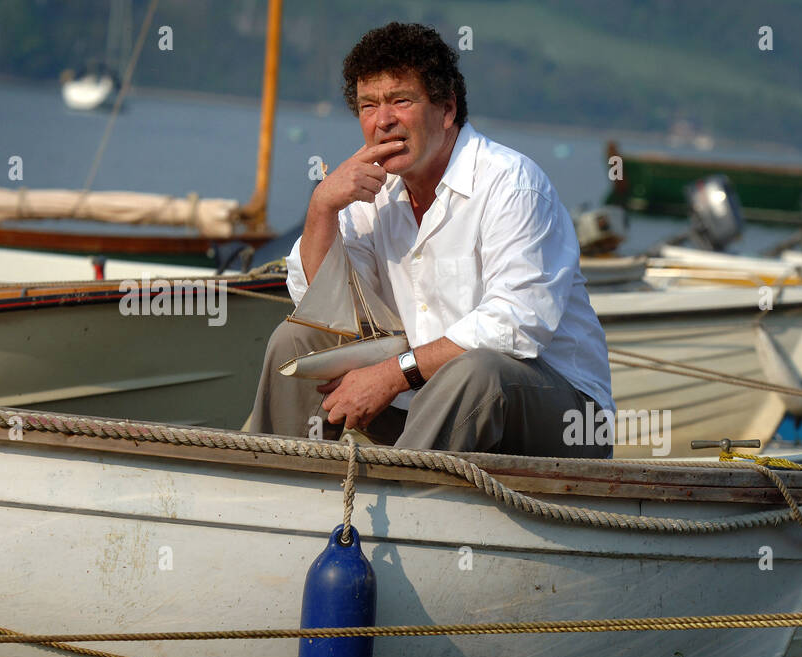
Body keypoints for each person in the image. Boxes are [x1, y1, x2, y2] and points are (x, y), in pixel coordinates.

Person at [248, 22, 613, 457]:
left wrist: (391, 374)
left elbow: (514, 326)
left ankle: (407, 509)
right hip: (426, 405)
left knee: (476, 371)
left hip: (562, 419)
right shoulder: (371, 192)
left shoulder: (511, 184)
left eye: (401, 101)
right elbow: (324, 310)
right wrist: (322, 207)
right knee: (297, 342)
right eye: (369, 105)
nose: (383, 120)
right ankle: (279, 493)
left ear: (446, 110)